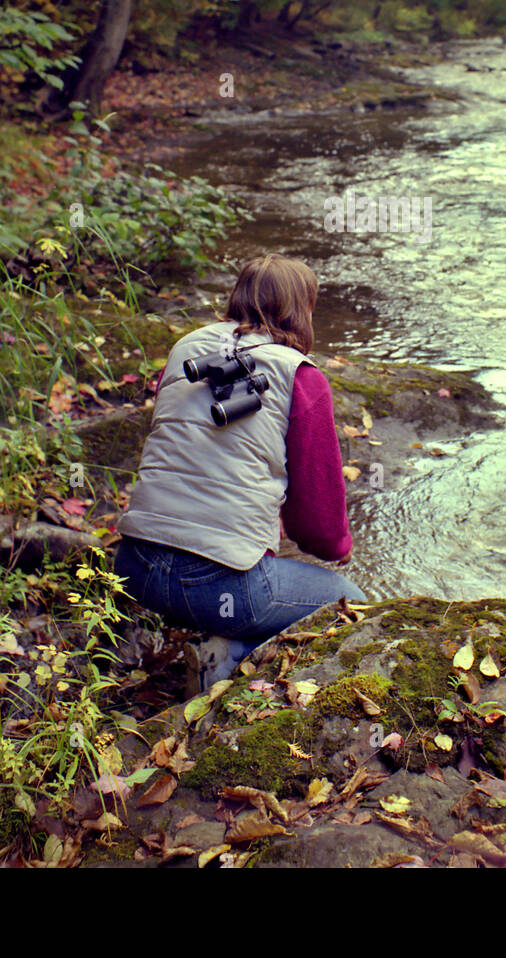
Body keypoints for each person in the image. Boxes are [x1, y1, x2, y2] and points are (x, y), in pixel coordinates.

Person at [115, 254, 365, 692]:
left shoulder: (183, 351)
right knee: (353, 603)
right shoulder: (302, 377)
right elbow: (317, 522)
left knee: (235, 573)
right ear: (301, 310)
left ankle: (209, 639)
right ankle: (230, 657)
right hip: (218, 585)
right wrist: (336, 546)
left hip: (137, 565)